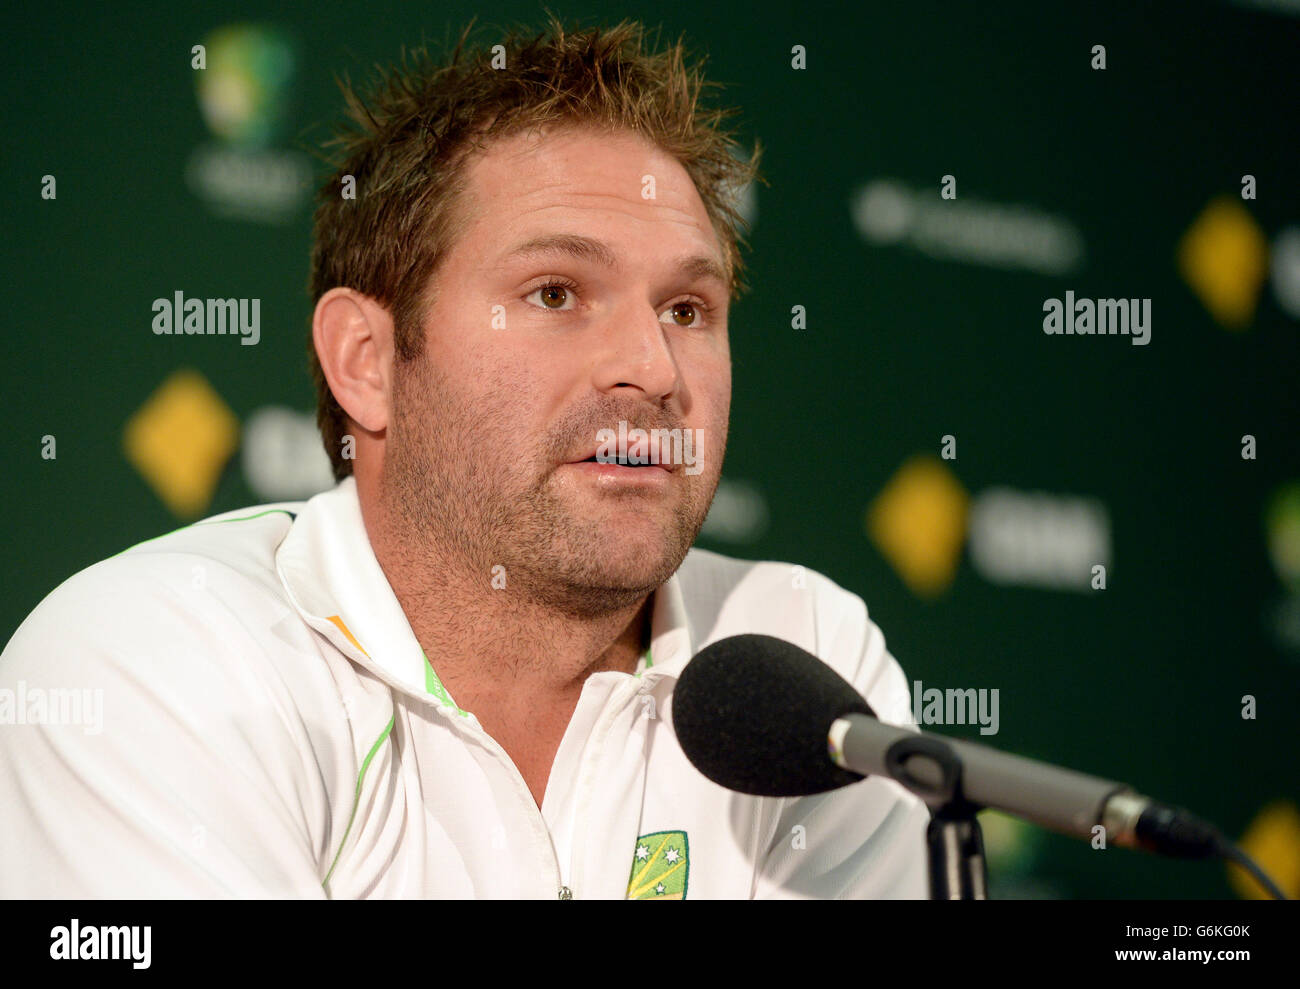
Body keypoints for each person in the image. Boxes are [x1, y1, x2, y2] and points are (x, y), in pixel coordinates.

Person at [0, 15, 929, 899]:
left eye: (687, 310)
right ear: (367, 363)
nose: (651, 368)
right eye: (557, 292)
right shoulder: (158, 659)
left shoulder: (799, 656)